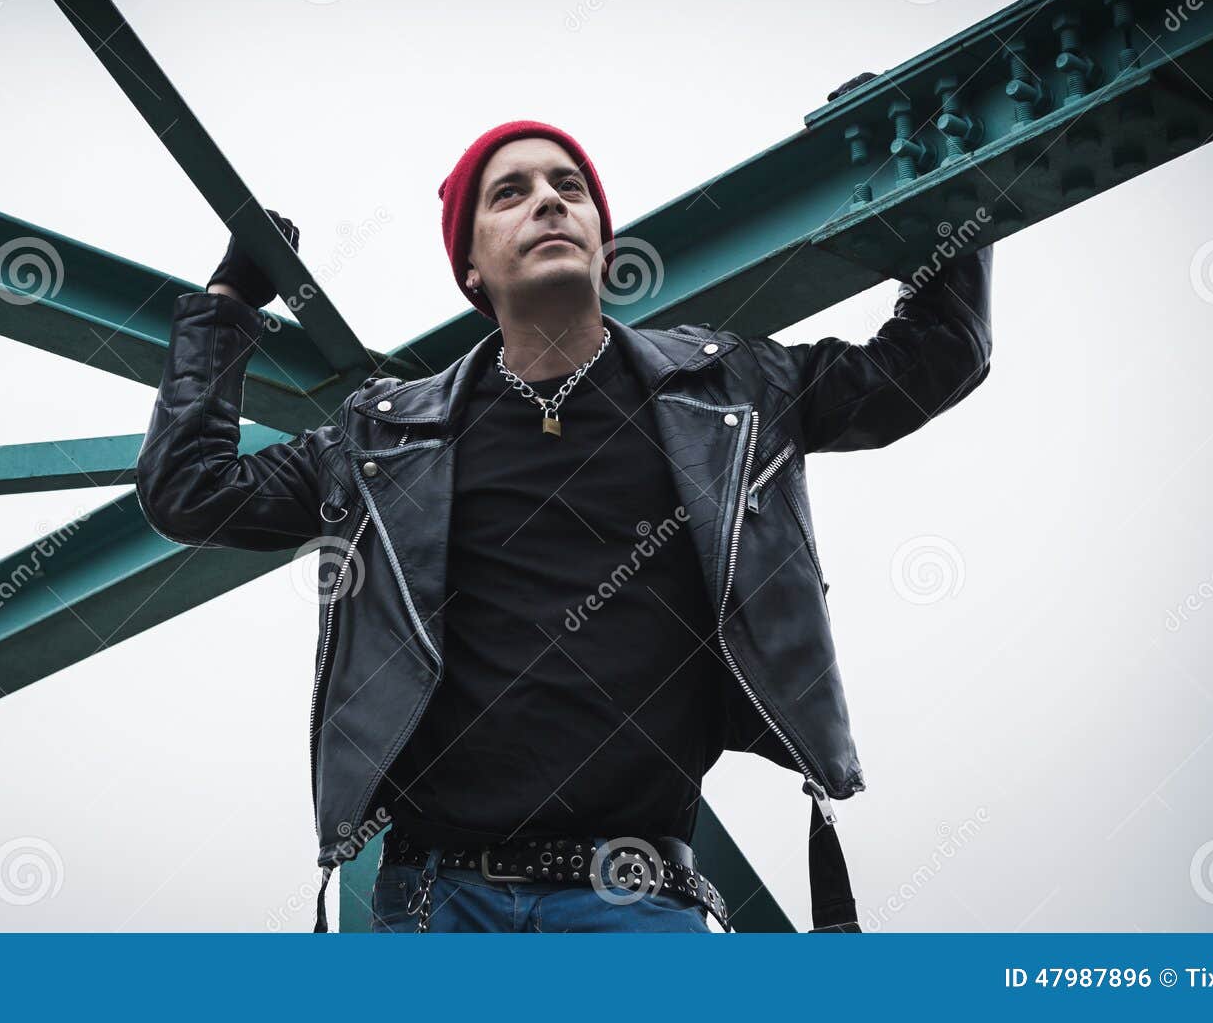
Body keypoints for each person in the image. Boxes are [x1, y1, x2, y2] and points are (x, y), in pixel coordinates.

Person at [134, 117, 993, 933]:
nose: (548, 200)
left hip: (638, 905)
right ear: (471, 268)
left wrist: (946, 164)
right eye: (508, 194)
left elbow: (933, 359)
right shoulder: (381, 438)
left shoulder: (729, 390)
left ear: (603, 242)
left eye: (568, 186)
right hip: (436, 907)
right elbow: (191, 489)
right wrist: (229, 300)